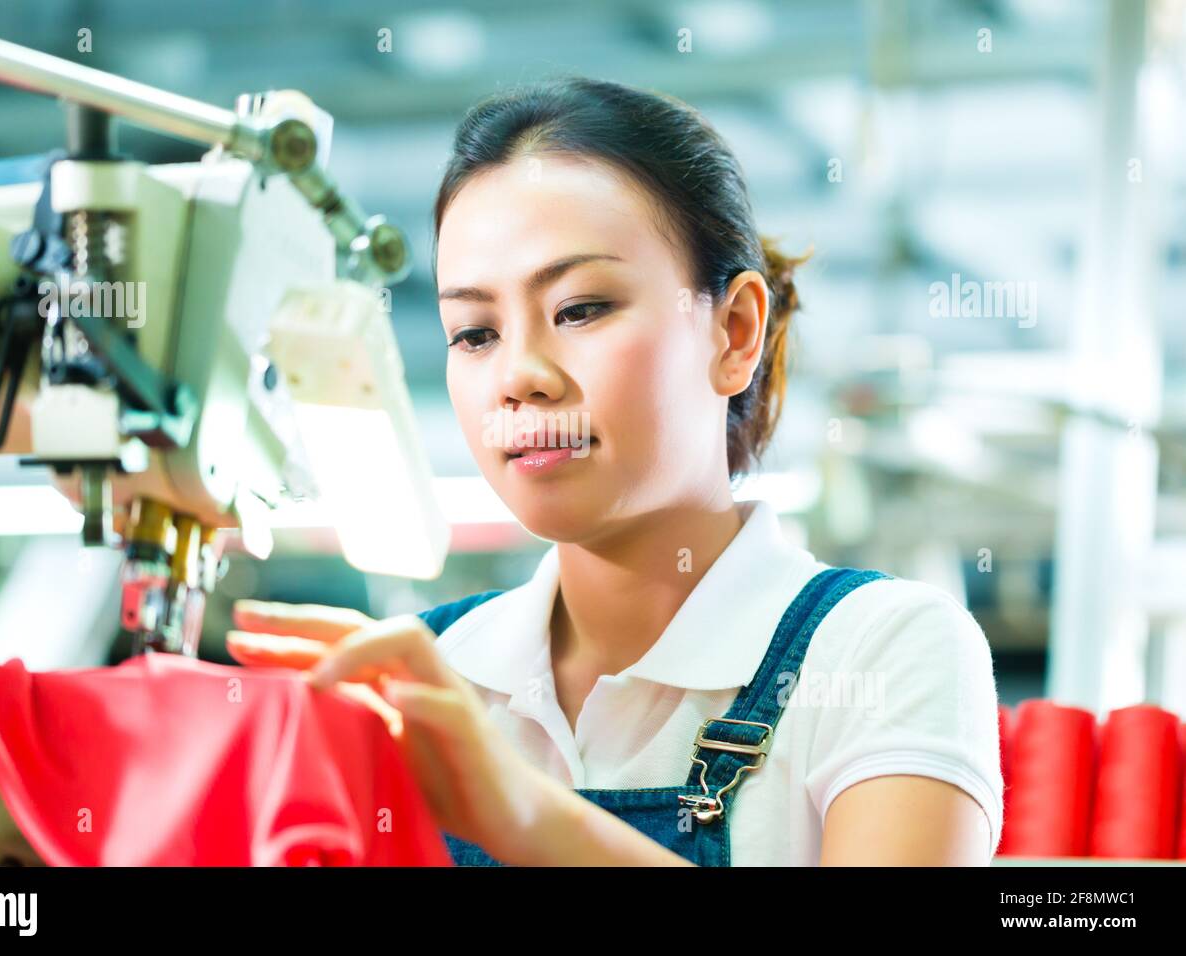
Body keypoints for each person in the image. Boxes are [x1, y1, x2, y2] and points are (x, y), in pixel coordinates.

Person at [227, 76, 1004, 866]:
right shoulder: (427, 679)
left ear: (734, 332)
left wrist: (528, 817)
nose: (519, 375)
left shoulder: (878, 653)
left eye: (581, 309)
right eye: (473, 332)